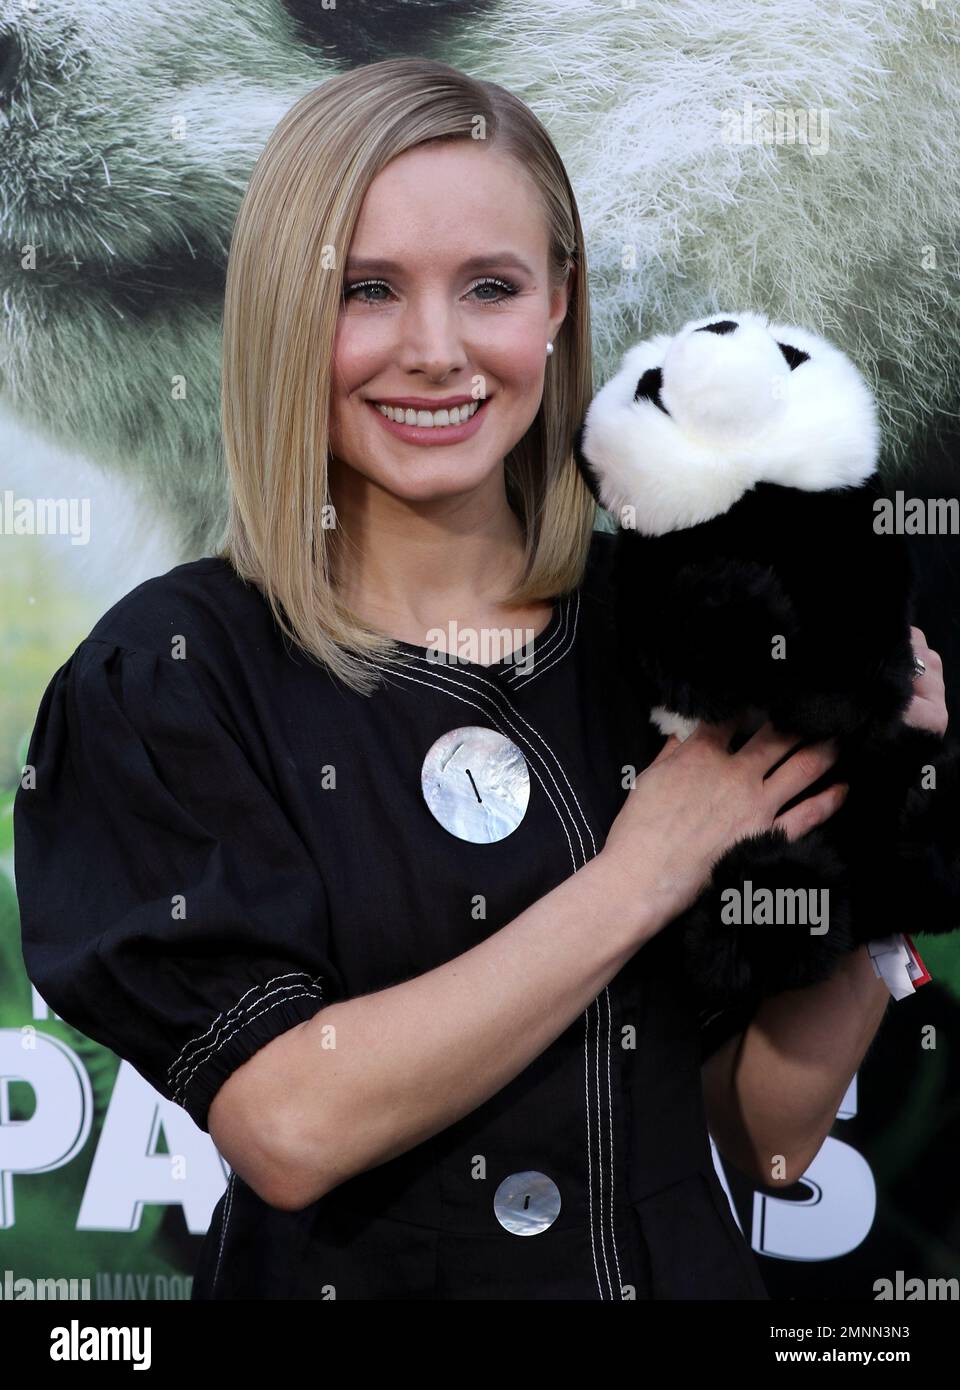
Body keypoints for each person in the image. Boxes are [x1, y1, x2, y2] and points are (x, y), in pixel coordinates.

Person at [13, 58, 948, 1301]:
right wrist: (645, 868)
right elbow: (290, 1125)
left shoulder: (683, 630)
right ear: (286, 311)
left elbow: (765, 1136)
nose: (436, 351)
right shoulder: (171, 673)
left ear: (561, 302)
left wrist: (873, 845)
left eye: (491, 287)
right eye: (368, 290)